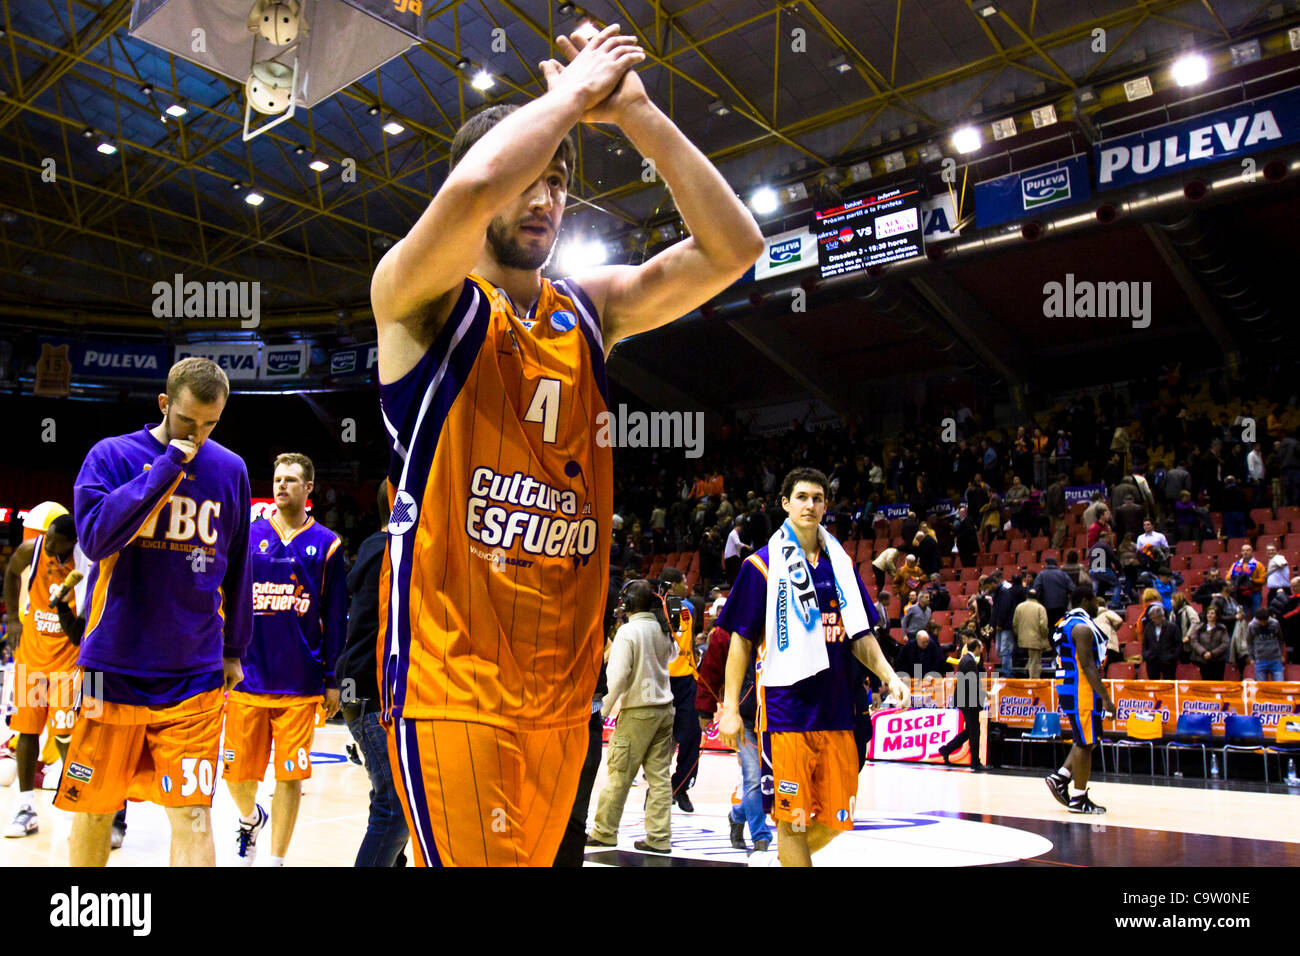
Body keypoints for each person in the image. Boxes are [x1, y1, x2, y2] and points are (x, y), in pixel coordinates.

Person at [368, 21, 763, 866]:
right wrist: (568, 98)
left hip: (561, 700)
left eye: (558, 183)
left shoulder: (590, 309)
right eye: (531, 180)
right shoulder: (415, 297)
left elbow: (736, 248)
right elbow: (476, 183)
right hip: (453, 686)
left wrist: (640, 117)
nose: (546, 198)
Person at [55, 357, 252, 866]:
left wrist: (234, 651)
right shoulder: (111, 456)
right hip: (110, 666)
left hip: (194, 671)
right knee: (96, 810)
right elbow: (96, 540)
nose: (199, 435)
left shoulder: (230, 469)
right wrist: (168, 467)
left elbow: (237, 569)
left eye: (211, 424)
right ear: (165, 404)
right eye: (188, 421)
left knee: (192, 814)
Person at [716, 468, 907, 867]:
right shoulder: (761, 565)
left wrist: (889, 676)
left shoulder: (841, 565)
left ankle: (775, 863)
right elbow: (740, 640)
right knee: (793, 822)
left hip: (838, 709)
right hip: (787, 711)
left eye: (818, 498)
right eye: (801, 497)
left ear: (826, 506)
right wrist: (730, 708)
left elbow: (860, 635)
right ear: (785, 503)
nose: (810, 504)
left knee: (838, 821)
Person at [224, 453, 347, 866]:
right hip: (247, 678)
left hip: (300, 682)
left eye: (291, 480)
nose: (281, 486)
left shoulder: (328, 544)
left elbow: (334, 615)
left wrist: (333, 679)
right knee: (238, 778)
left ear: (309, 488)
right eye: (277, 479)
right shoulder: (250, 534)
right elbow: (228, 598)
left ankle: (275, 860)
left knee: (290, 778)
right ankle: (249, 817)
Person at [336, 483, 410, 867]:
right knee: (397, 805)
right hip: (371, 691)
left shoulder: (372, 547)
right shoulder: (393, 552)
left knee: (389, 797)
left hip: (360, 688)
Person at [3, 513, 79, 839]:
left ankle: (81, 805)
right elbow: (9, 576)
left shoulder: (86, 561)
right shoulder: (31, 550)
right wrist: (15, 622)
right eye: (45, 537)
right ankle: (25, 808)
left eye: (52, 540)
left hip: (73, 660)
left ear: (70, 542)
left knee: (75, 737)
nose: (46, 543)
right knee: (26, 730)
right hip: (32, 657)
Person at [586, 580, 676, 853]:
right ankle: (658, 838)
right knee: (660, 778)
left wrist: (602, 710)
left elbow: (617, 677)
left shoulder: (628, 632)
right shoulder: (662, 628)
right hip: (665, 710)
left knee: (620, 774)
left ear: (626, 605)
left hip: (638, 712)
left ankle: (604, 832)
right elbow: (673, 655)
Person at [695, 622, 771, 855]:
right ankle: (761, 838)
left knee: (772, 780)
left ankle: (737, 814)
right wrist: (705, 711)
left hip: (777, 716)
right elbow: (710, 671)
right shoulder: (726, 631)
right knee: (754, 778)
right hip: (744, 717)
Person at [1045, 587, 1116, 814]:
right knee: (1086, 743)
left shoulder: (1065, 622)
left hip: (1068, 684)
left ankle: (1061, 777)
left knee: (1086, 737)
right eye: (1095, 599)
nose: (1098, 603)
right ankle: (1079, 798)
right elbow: (1087, 665)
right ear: (1086, 600)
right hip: (1081, 687)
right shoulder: (1082, 628)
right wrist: (1105, 697)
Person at [660, 566, 699, 812]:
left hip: (687, 679)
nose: (687, 586)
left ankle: (680, 786)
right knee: (662, 741)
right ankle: (659, 791)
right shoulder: (659, 609)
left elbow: (691, 639)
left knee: (693, 736)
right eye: (683, 582)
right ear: (673, 585)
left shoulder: (691, 607)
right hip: (663, 680)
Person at [937, 639, 986, 771]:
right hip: (969, 702)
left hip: (966, 701)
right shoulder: (969, 661)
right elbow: (971, 684)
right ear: (976, 648)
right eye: (980, 648)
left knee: (970, 731)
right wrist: (982, 697)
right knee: (974, 731)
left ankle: (946, 749)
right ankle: (975, 761)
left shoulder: (965, 660)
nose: (981, 650)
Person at [1013, 588, 1051, 679]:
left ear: (1027, 596)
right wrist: (1045, 637)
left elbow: (1015, 624)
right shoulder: (1040, 608)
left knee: (1031, 659)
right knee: (1035, 662)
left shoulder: (1019, 607)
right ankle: (1033, 681)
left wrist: (1018, 634)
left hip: (1022, 638)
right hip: (1036, 638)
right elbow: (1043, 625)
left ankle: (1027, 673)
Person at [1187, 605, 1230, 681]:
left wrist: (1212, 653)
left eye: (1212, 613)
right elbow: (1194, 641)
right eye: (1208, 613)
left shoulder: (1222, 628)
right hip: (1203, 661)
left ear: (1216, 616)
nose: (1209, 615)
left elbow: (1225, 643)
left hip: (1218, 661)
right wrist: (1204, 652)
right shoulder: (1199, 628)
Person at [1139, 603, 1180, 679]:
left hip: (1168, 661)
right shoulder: (1148, 627)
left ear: (1162, 616)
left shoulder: (1172, 627)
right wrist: (1146, 655)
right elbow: (1145, 643)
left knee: (1169, 684)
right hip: (1152, 660)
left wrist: (1173, 657)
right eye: (1153, 618)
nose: (1155, 620)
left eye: (1157, 617)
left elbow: (1178, 644)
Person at [1247, 607, 1287, 682]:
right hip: (1260, 660)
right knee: (1262, 689)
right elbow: (1249, 642)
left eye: (1265, 621)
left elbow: (1280, 640)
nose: (1263, 623)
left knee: (1279, 687)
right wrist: (1251, 658)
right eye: (1261, 621)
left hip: (1275, 659)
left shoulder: (1275, 623)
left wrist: (1281, 654)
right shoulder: (1251, 626)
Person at [1033, 556, 1073, 630]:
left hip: (1047, 608)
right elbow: (1072, 588)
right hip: (1061, 607)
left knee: (1051, 626)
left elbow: (1036, 589)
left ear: (1046, 564)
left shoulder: (1041, 575)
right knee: (1060, 624)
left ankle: (1052, 639)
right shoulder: (1063, 574)